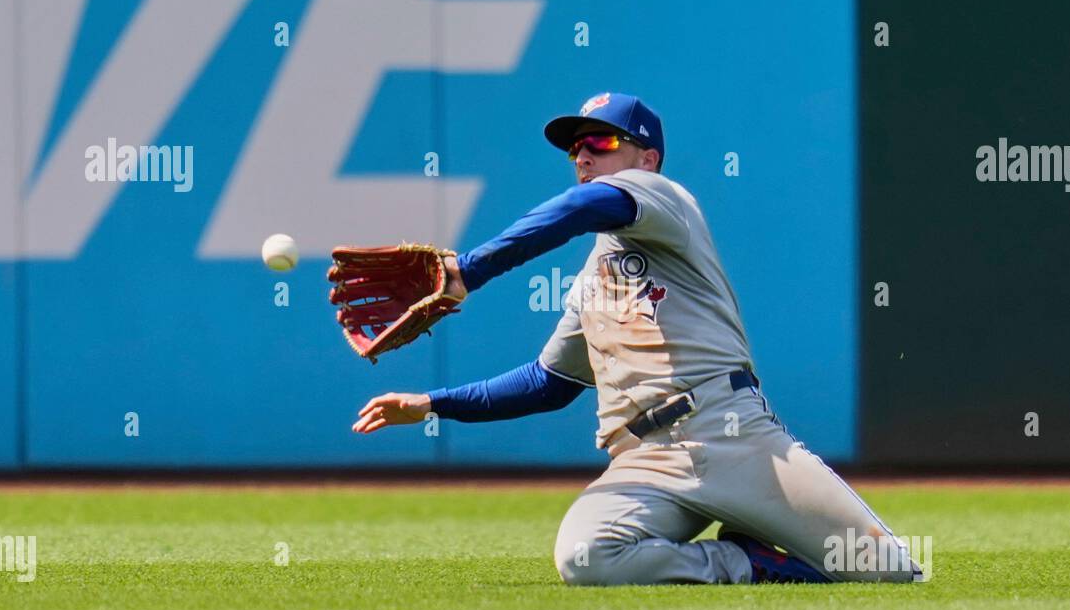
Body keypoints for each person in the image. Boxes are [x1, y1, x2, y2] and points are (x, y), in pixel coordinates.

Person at [352, 92, 920, 585]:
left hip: (732, 435)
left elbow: (582, 206)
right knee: (584, 557)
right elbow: (547, 384)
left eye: (599, 140)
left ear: (646, 158)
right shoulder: (590, 284)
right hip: (644, 460)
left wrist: (468, 270)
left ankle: (764, 521)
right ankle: (746, 561)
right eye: (575, 147)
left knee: (890, 569)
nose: (582, 154)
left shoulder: (664, 199)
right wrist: (431, 404)